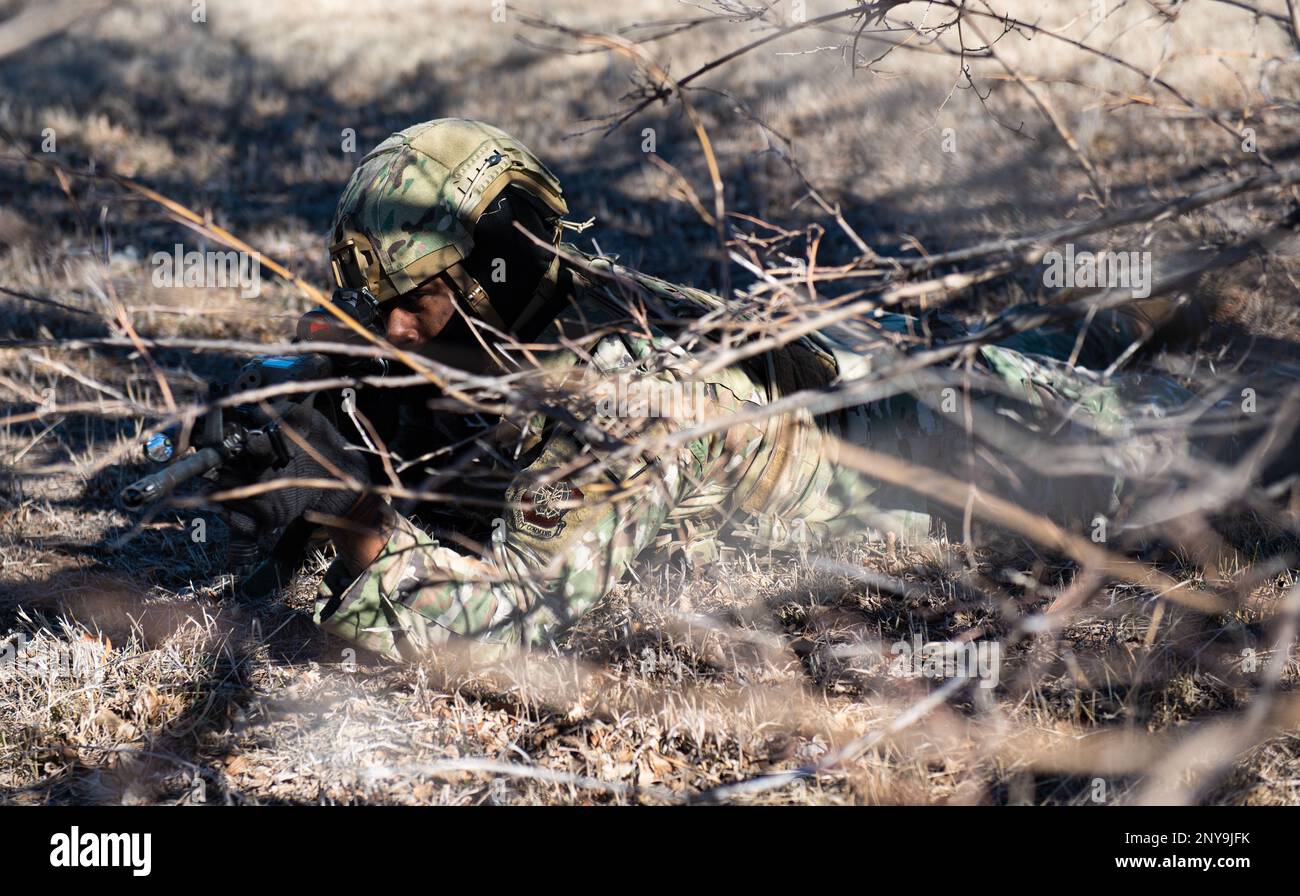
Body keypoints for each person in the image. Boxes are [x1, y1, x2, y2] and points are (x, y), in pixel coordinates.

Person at [216, 118, 1291, 662]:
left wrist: (356, 532)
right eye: (377, 306)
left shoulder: (612, 401)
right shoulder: (522, 333)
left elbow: (515, 624)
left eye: (419, 300)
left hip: (983, 447)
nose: (396, 328)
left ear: (501, 265)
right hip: (902, 381)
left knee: (1238, 444)